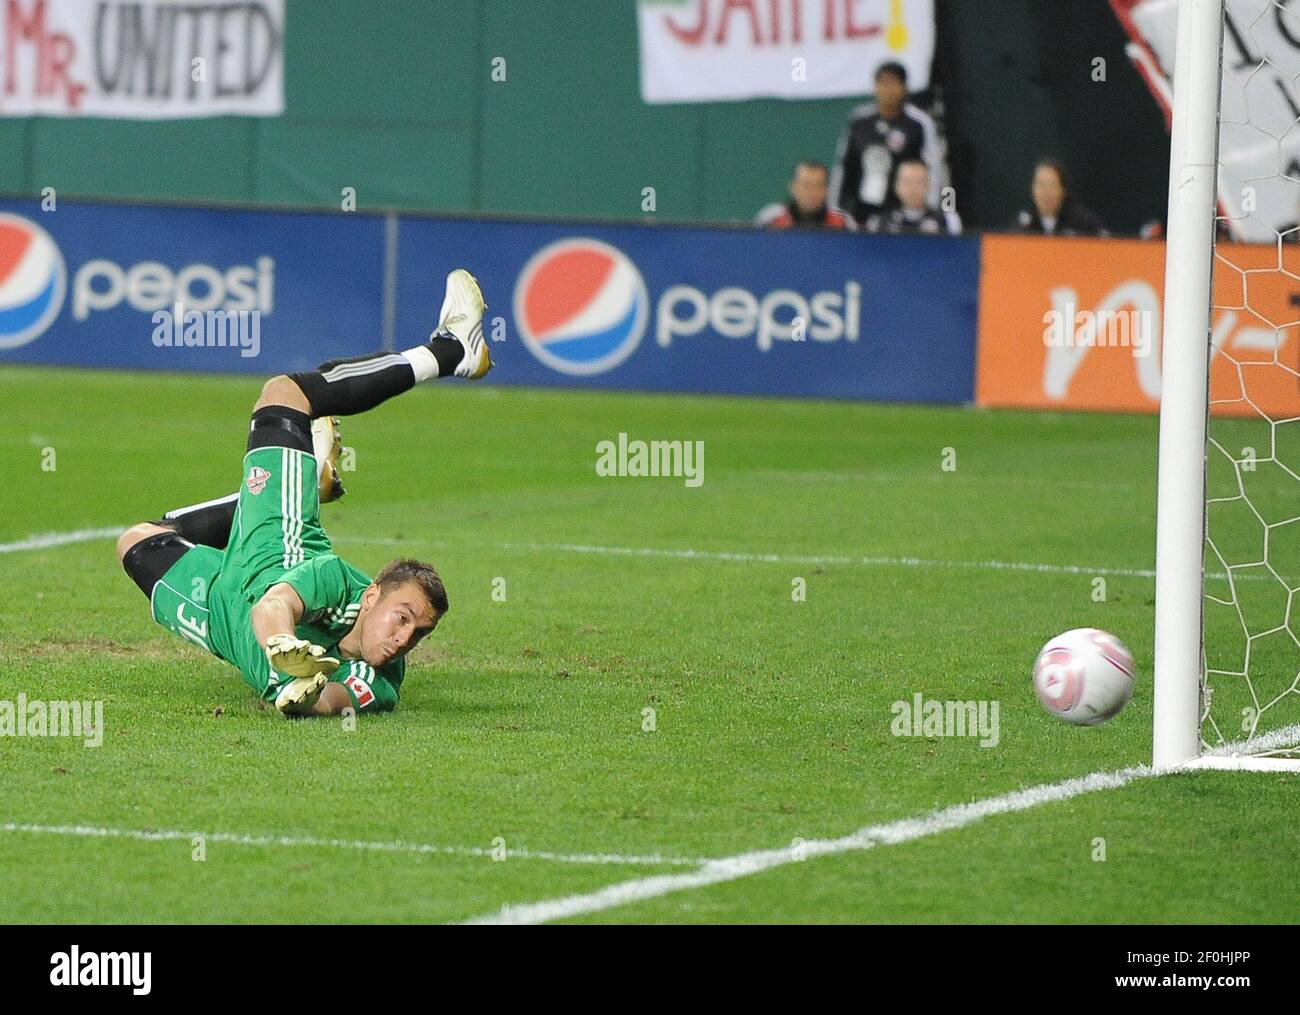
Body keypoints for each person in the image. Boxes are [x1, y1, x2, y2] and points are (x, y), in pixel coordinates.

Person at [115, 269, 493, 717]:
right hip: (273, 550)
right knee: (286, 394)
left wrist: (307, 695)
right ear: (371, 597)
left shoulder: (384, 683)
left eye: (419, 634)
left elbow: (333, 701)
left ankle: (302, 482)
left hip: (222, 609)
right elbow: (272, 607)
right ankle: (449, 353)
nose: (403, 640)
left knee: (137, 542)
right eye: (403, 618)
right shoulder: (332, 578)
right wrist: (286, 648)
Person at [829, 61, 942, 228]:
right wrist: (834, 211)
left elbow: (934, 169)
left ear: (905, 88)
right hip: (862, 211)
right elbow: (843, 167)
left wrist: (930, 211)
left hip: (901, 215)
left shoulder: (919, 124)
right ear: (875, 87)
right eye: (882, 82)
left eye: (893, 83)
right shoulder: (859, 121)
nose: (887, 89)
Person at [865, 159, 961, 235]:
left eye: (919, 182)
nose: (913, 188)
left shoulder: (948, 221)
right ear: (896, 186)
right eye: (907, 182)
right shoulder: (879, 222)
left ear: (929, 186)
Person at [1014, 159, 1108, 237]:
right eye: (1041, 186)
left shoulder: (1083, 223)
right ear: (1033, 189)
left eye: (1052, 186)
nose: (1046, 193)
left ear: (1063, 191)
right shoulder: (1023, 224)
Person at [755, 160, 850, 229]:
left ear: (826, 190)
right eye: (806, 185)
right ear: (793, 188)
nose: (812, 192)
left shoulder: (843, 221)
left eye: (818, 186)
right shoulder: (770, 219)